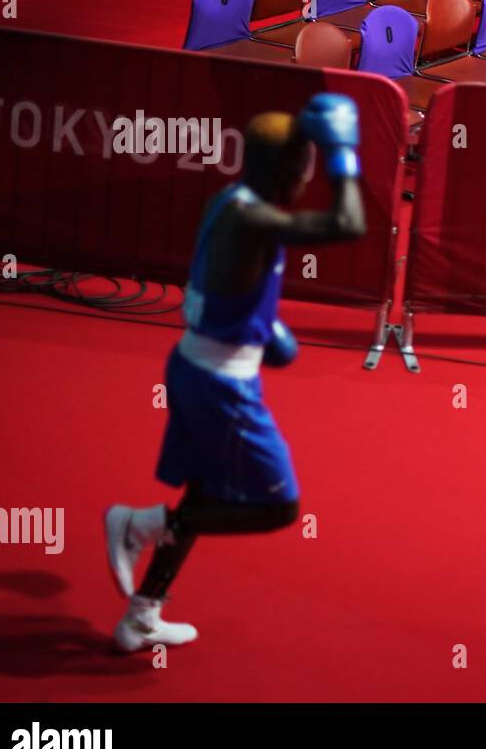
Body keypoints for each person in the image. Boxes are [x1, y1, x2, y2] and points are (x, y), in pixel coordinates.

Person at [103, 93, 367, 652]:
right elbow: (349, 223)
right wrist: (343, 151)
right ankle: (141, 525)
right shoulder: (258, 219)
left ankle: (142, 615)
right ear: (289, 171)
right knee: (278, 506)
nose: (309, 181)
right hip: (221, 386)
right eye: (307, 169)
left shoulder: (229, 200)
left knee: (207, 491)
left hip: (195, 363)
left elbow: (223, 276)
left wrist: (261, 327)